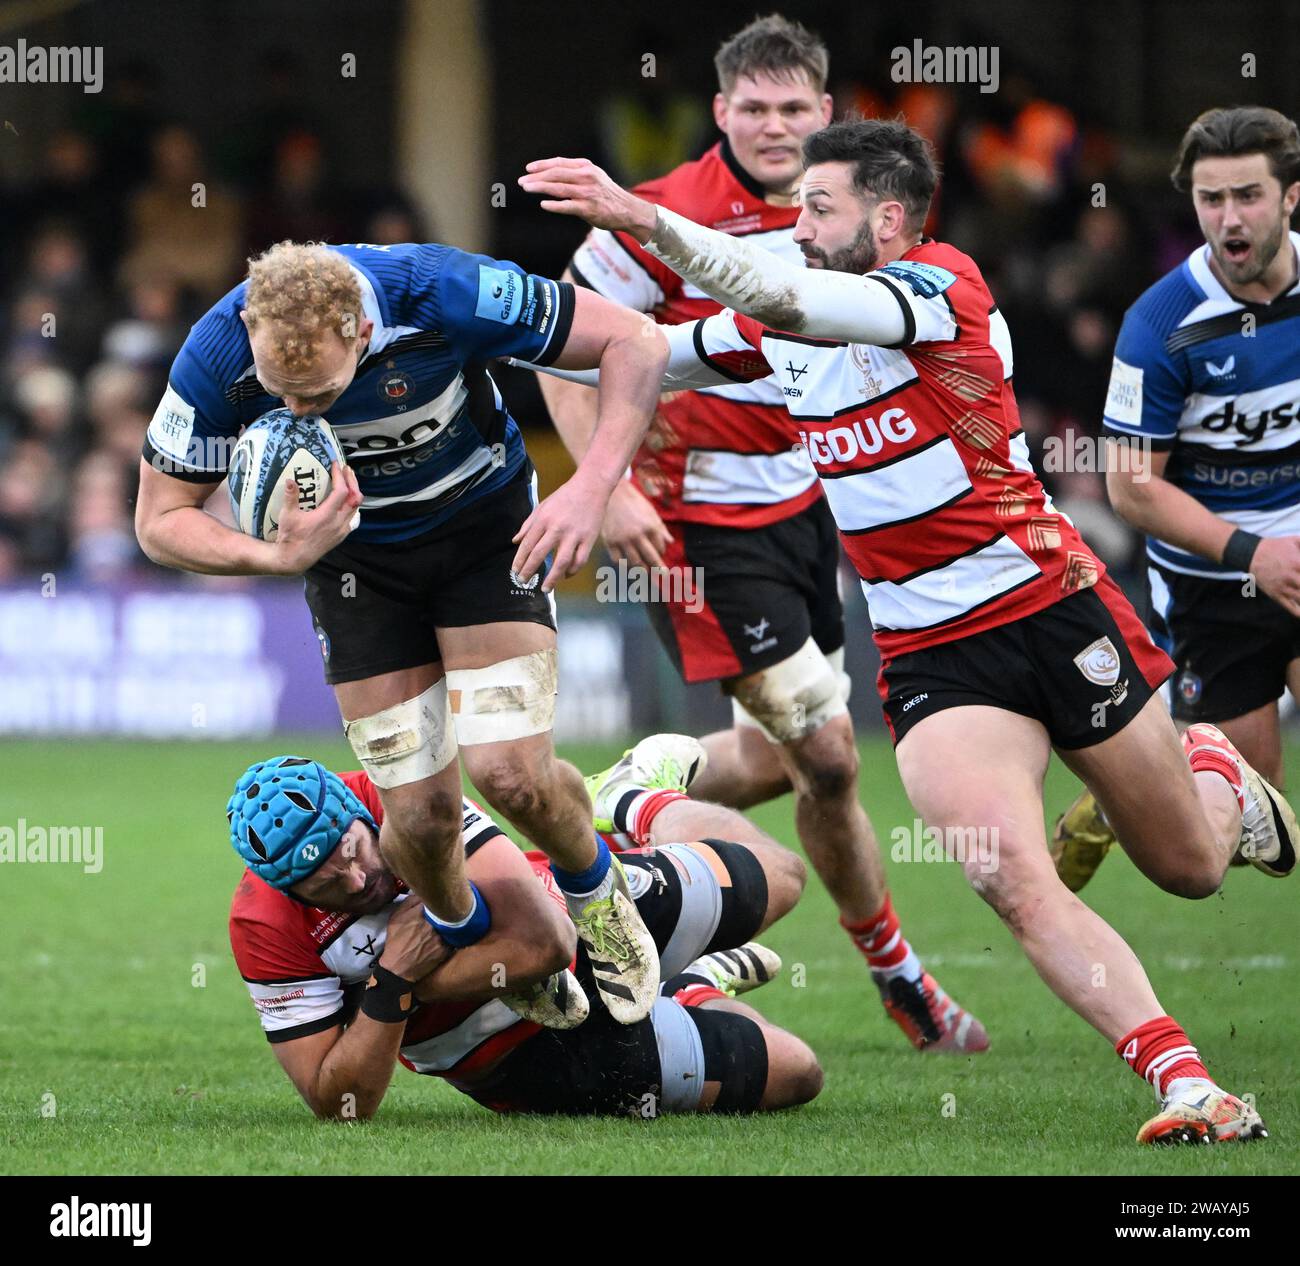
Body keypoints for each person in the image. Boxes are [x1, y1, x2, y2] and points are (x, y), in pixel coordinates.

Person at [516, 117, 1298, 1144]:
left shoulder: (935, 289)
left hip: (1052, 611)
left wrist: (639, 218)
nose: (794, 226)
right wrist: (471, 316)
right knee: (1007, 874)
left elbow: (782, 293)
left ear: (887, 220)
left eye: (819, 208)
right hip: (934, 658)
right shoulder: (772, 328)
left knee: (1189, 869)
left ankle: (1212, 775)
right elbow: (634, 349)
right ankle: (1183, 1083)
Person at [537, 13, 986, 1054]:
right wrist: (607, 491)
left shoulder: (844, 208)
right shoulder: (662, 212)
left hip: (802, 508)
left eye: (795, 108)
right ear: (719, 111)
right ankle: (902, 974)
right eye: (755, 107)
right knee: (828, 754)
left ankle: (630, 791)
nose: (775, 126)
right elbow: (561, 351)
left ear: (825, 111)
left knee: (780, 760)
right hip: (696, 524)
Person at [135, 238, 669, 1021]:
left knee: (511, 774)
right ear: (249, 322)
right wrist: (272, 557)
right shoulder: (218, 349)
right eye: (281, 393)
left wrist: (593, 486)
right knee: (418, 819)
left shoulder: (443, 291)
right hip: (357, 574)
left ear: (358, 330)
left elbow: (638, 339)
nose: (296, 412)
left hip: (485, 540)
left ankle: (596, 892)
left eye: (315, 393)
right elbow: (158, 520)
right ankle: (484, 943)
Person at [226, 751, 821, 1118]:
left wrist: (395, 996)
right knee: (796, 1073)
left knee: (781, 876)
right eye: (328, 886)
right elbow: (339, 1103)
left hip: (573, 918)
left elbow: (545, 945)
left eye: (353, 852)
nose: (358, 881)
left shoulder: (404, 798)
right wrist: (393, 977)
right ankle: (687, 987)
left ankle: (634, 799)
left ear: (354, 810)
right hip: (514, 1056)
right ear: (290, 891)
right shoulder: (264, 925)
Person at [1055, 106, 1300, 890]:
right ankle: (1113, 808)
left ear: (1291, 197)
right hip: (1211, 584)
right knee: (1240, 831)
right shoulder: (1161, 323)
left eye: (1249, 196)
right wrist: (1250, 552)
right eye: (1211, 199)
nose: (1230, 219)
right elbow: (1130, 489)